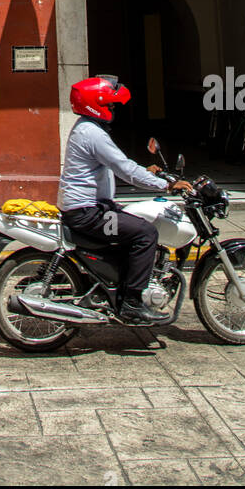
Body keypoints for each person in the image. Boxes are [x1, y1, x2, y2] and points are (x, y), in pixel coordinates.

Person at [58, 75, 193, 326]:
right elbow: (125, 169)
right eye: (109, 105)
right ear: (95, 105)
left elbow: (116, 166)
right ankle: (131, 303)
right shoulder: (92, 133)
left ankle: (114, 286)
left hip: (90, 208)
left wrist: (148, 171)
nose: (112, 110)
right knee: (145, 234)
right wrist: (166, 184)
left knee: (132, 224)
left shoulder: (86, 128)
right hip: (88, 212)